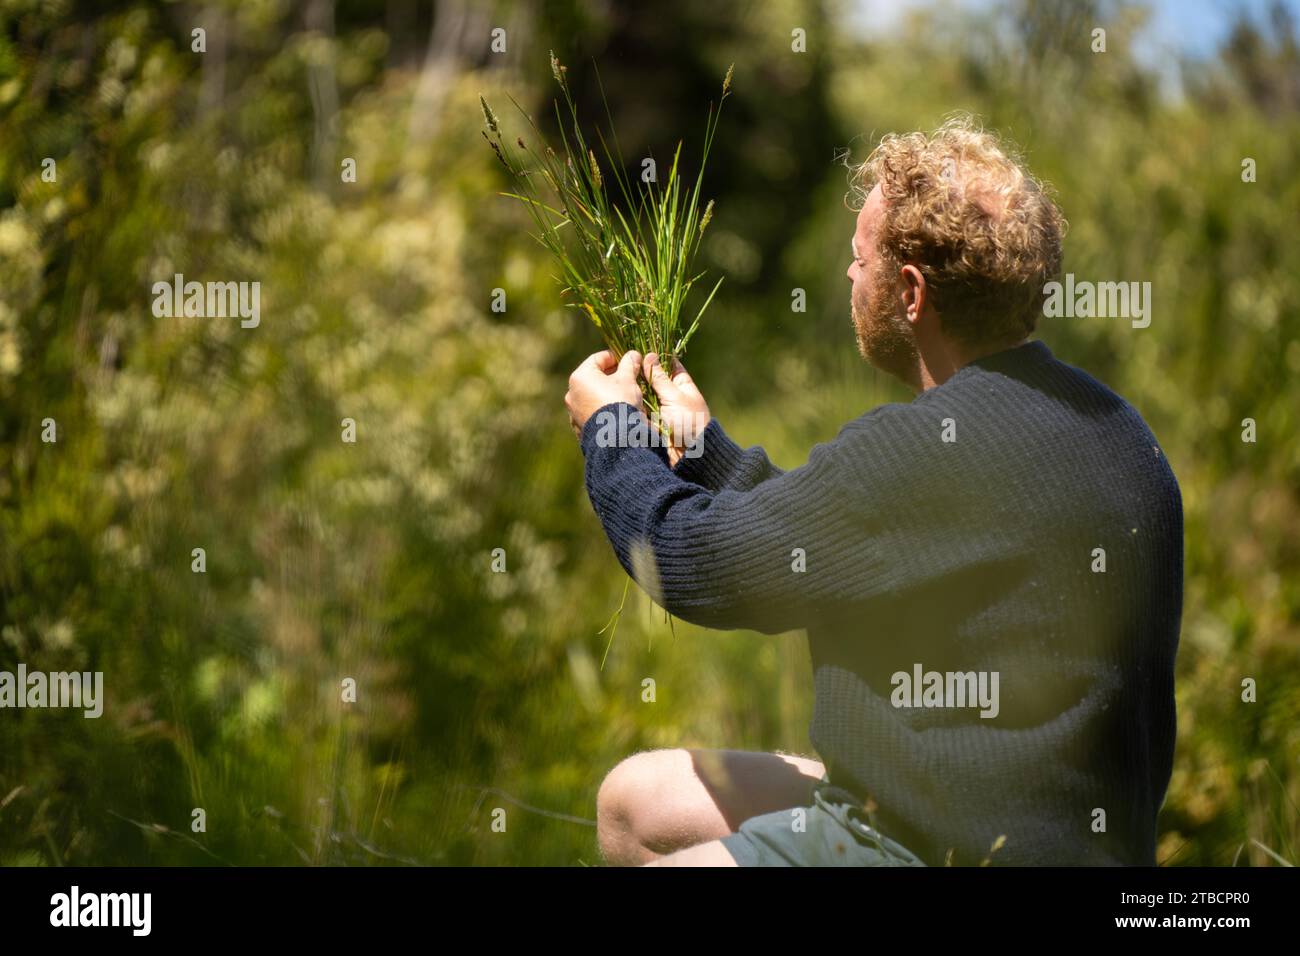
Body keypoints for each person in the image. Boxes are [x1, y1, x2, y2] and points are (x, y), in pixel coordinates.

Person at [563, 117, 1183, 867]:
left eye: (860, 260)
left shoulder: (926, 449)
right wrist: (700, 453)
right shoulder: (1117, 429)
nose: (850, 277)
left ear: (912, 293)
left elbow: (693, 564)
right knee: (638, 802)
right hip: (1013, 822)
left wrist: (613, 436)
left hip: (938, 846)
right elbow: (846, 539)